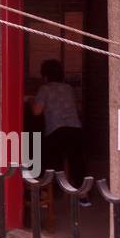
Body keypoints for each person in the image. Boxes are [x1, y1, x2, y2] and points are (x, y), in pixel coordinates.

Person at [27, 59, 86, 194]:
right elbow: (76, 109)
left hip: (56, 131)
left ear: (45, 75)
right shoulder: (68, 88)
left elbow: (37, 112)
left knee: (50, 159)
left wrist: (31, 101)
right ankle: (83, 194)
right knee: (76, 162)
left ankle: (54, 191)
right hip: (75, 130)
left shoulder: (44, 89)